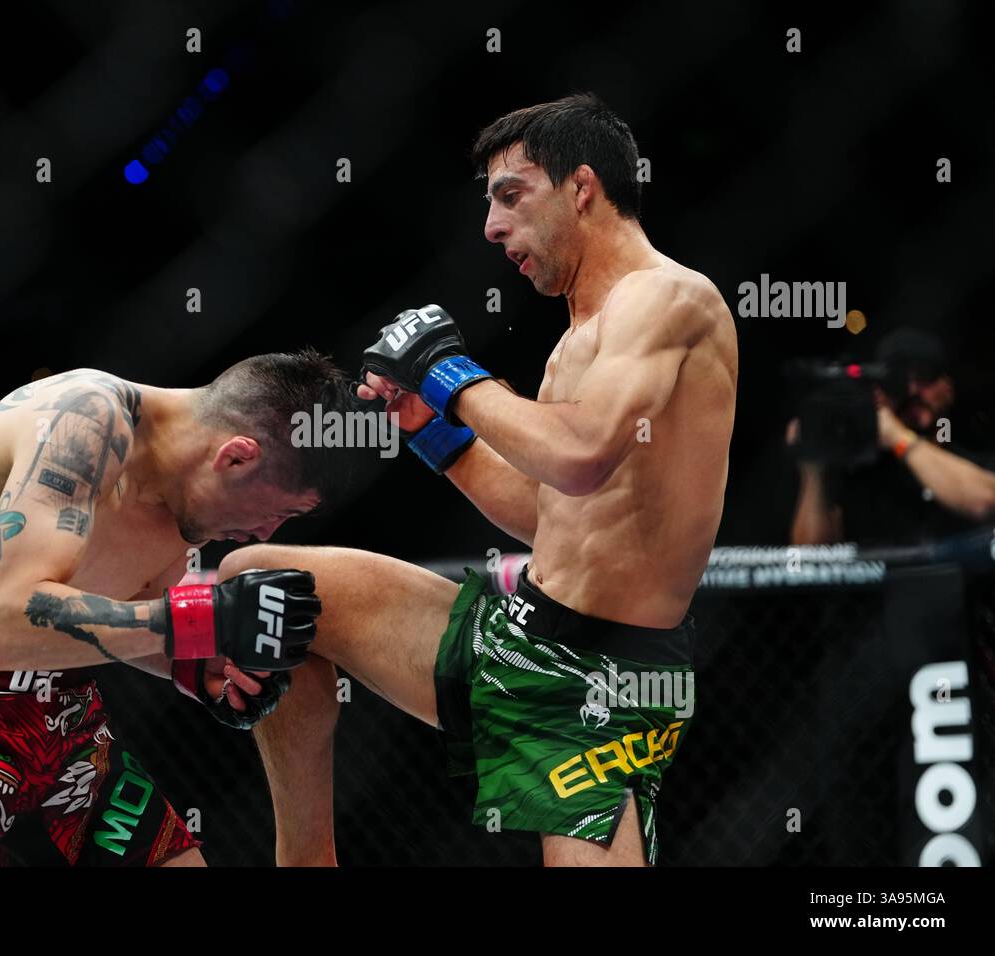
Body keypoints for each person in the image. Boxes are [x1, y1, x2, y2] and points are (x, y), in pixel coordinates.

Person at [219, 94, 738, 866]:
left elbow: (584, 451)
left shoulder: (667, 298)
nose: (493, 228)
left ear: (582, 187)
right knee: (259, 582)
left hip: (601, 681)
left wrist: (449, 375)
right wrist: (434, 430)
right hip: (520, 630)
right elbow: (550, 511)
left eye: (510, 196)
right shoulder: (579, 340)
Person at [0, 351, 350, 866]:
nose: (267, 534)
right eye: (279, 511)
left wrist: (200, 665)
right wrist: (200, 621)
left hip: (72, 734)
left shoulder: (184, 510)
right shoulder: (82, 420)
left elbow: (116, 627)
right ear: (236, 457)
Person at [789, 327, 995, 545]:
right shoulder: (858, 476)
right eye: (896, 381)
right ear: (879, 394)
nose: (913, 390)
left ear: (948, 388)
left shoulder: (978, 467)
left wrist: (898, 437)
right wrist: (813, 470)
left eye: (924, 377)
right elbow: (810, 560)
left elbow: (987, 502)